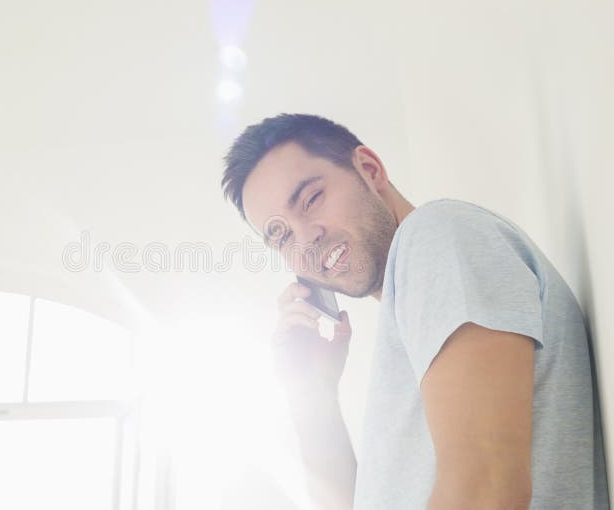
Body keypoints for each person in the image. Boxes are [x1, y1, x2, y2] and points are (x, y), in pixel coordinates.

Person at [220, 113, 609, 509]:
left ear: (370, 170)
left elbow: (486, 488)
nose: (306, 239)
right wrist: (314, 396)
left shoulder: (438, 235)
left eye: (311, 199)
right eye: (281, 235)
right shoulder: (412, 316)